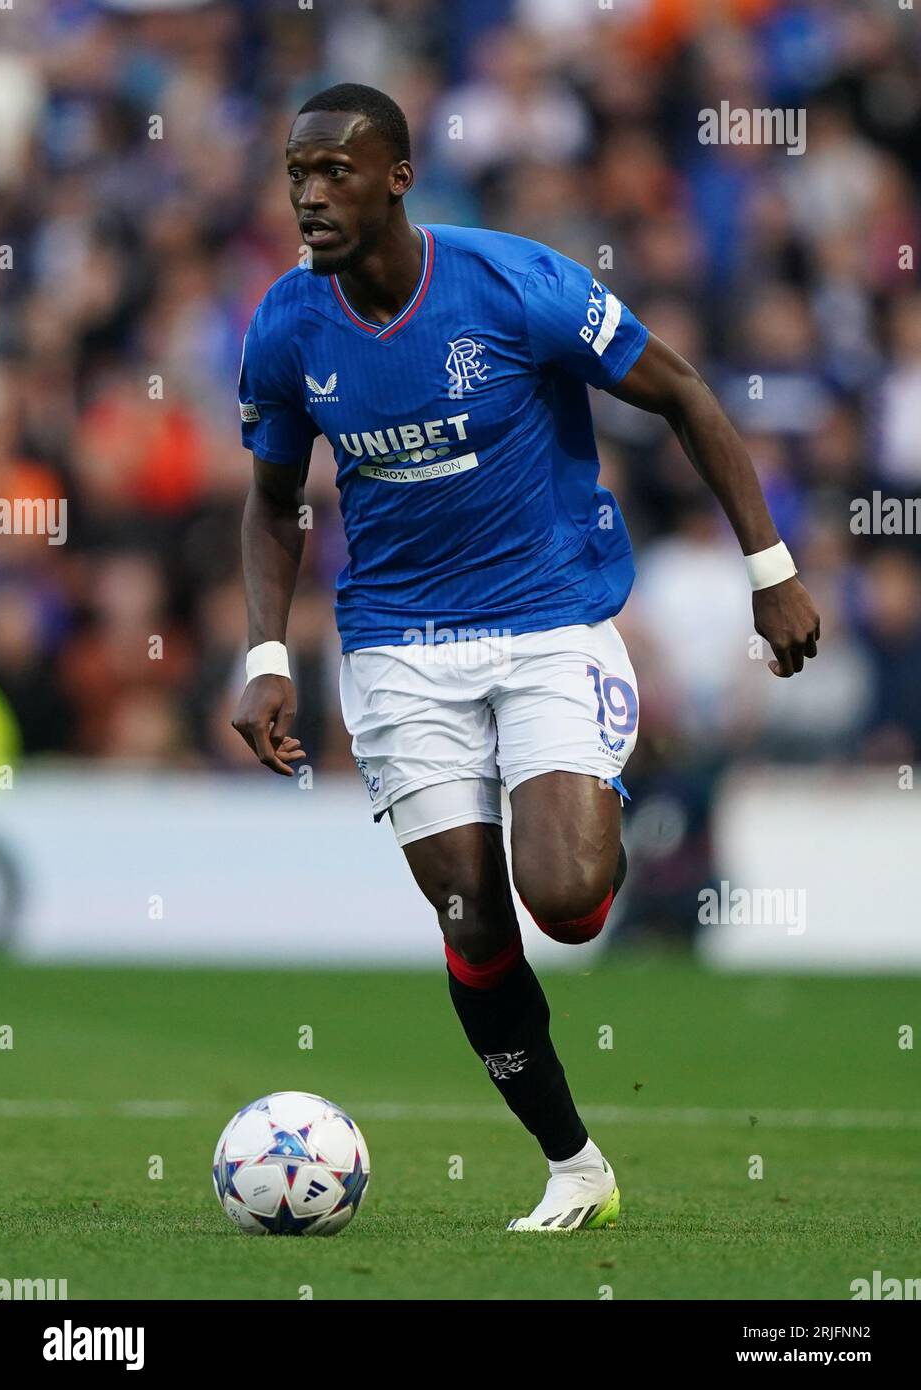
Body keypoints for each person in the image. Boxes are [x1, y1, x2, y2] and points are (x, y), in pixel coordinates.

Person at [233, 84, 820, 1232]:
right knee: (469, 911)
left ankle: (588, 801)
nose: (311, 195)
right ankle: (573, 1165)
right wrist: (264, 653)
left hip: (547, 620)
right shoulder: (286, 326)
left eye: (335, 171)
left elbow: (685, 395)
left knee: (563, 898)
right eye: (297, 174)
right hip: (399, 644)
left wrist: (772, 569)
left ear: (397, 176)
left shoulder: (514, 284)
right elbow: (270, 503)